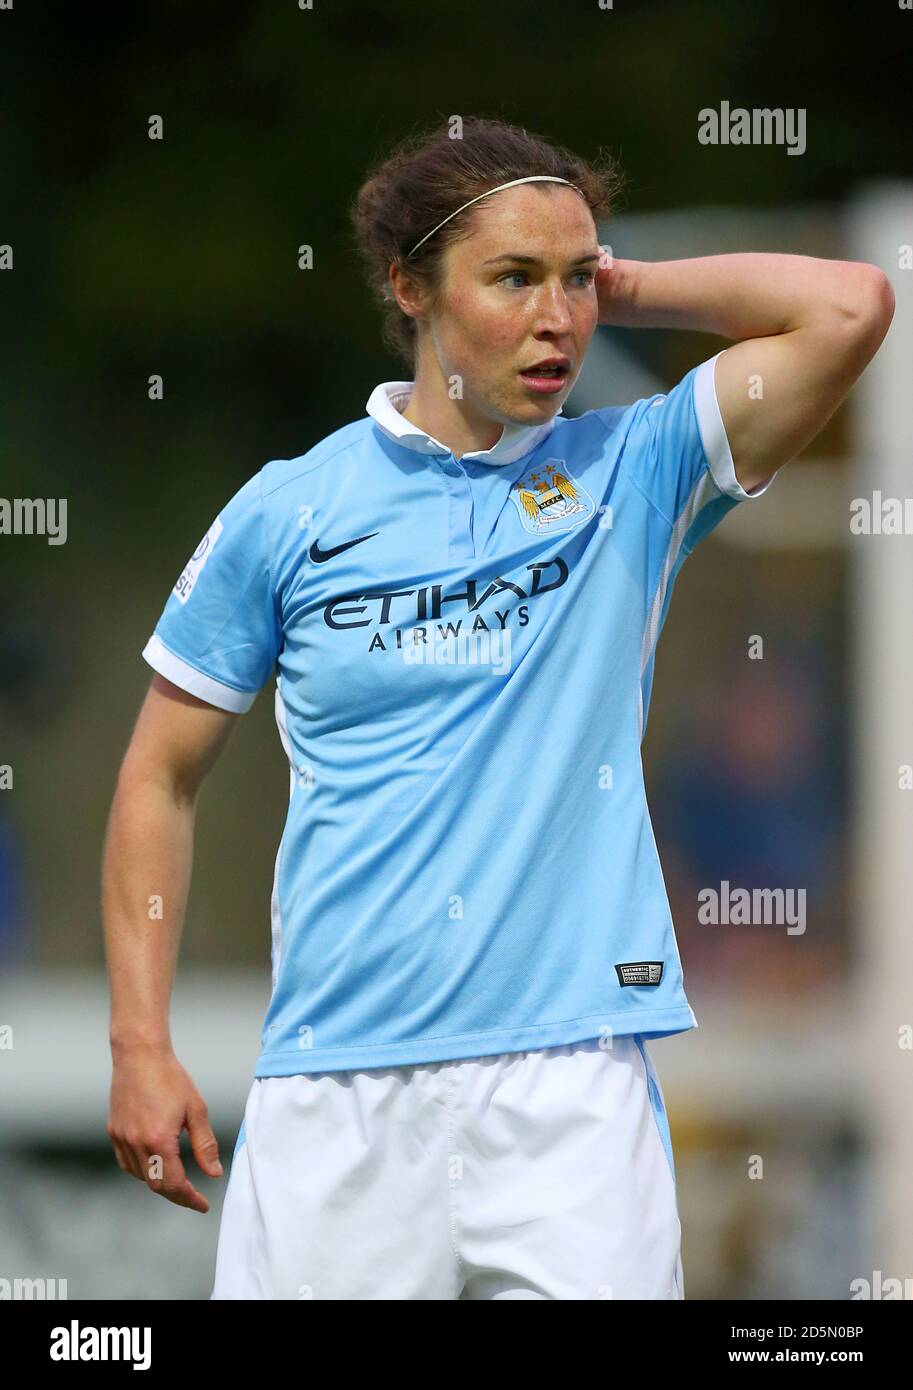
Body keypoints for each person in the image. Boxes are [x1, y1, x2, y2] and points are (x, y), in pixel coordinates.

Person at [102, 117, 894, 1300]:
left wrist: (623, 286)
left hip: (572, 1085)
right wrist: (139, 1039)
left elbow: (851, 305)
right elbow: (157, 776)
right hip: (339, 1089)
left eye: (576, 278)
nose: (557, 317)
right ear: (407, 286)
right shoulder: (288, 511)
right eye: (513, 278)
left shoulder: (638, 467)